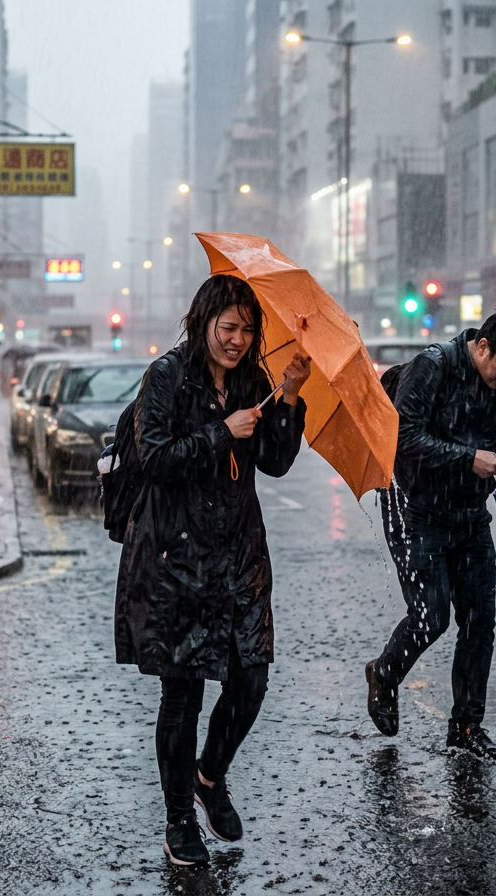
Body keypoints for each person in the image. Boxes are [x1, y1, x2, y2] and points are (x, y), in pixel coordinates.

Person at [113, 275, 311, 866]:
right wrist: (220, 433)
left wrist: (292, 398)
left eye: (248, 330)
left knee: (251, 680)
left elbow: (274, 462)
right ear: (203, 323)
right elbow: (155, 457)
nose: (238, 339)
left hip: (240, 557)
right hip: (177, 559)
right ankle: (179, 820)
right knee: (183, 694)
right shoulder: (167, 377)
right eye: (229, 328)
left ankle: (209, 775)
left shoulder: (255, 380)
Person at [365, 308, 496, 760]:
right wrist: (469, 458)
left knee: (480, 620)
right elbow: (402, 439)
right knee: (431, 616)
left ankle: (466, 728)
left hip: (468, 512)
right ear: (482, 347)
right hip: (414, 507)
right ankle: (385, 673)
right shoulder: (433, 367)